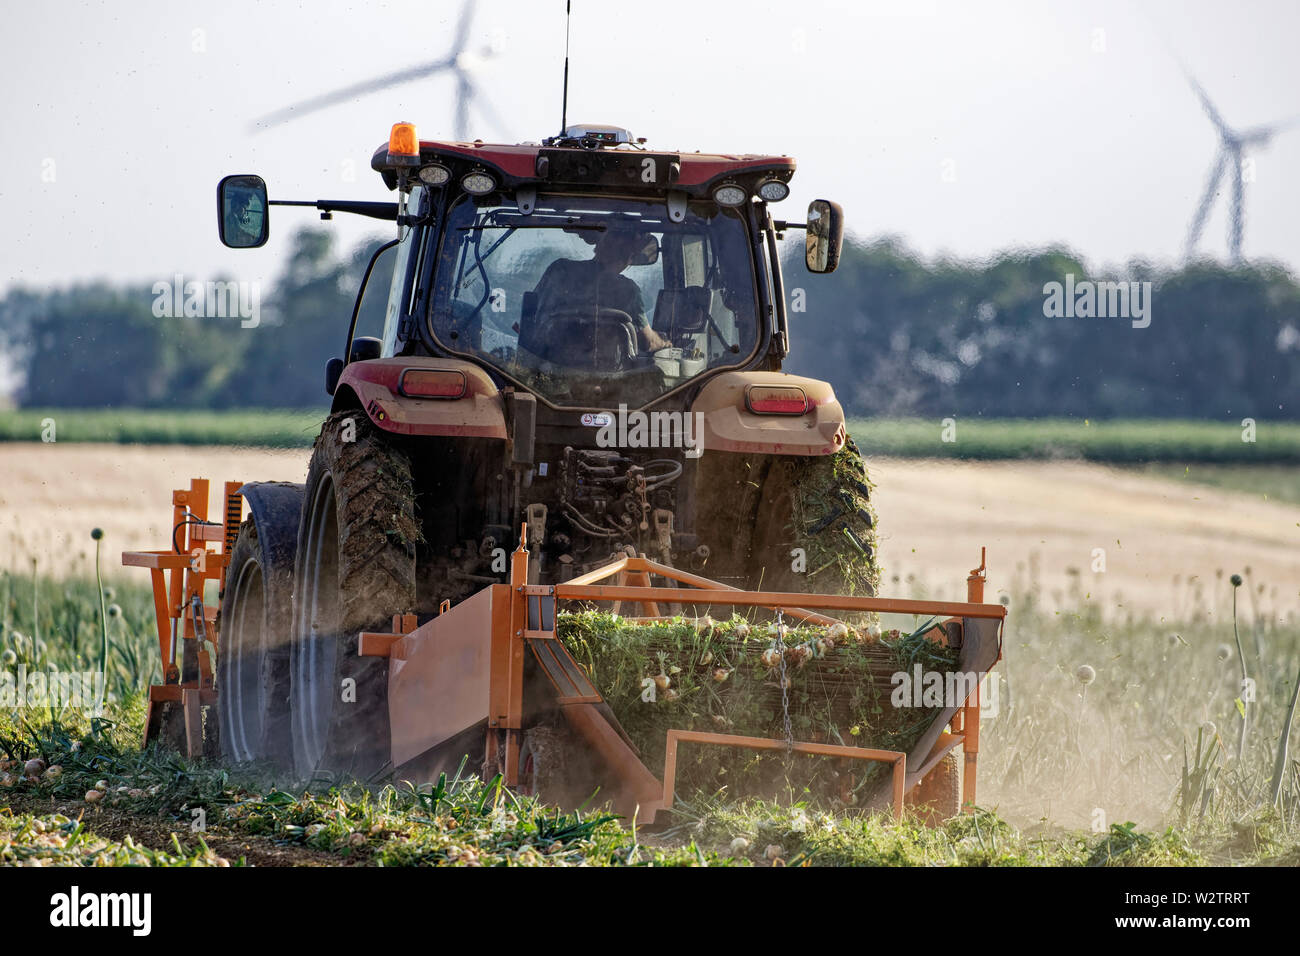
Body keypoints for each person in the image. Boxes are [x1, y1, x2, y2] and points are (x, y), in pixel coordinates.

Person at [531, 229, 671, 353]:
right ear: (631, 257)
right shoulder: (629, 290)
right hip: (610, 377)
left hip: (546, 368)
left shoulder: (559, 270)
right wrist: (663, 342)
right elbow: (647, 342)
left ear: (598, 246)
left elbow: (531, 314)